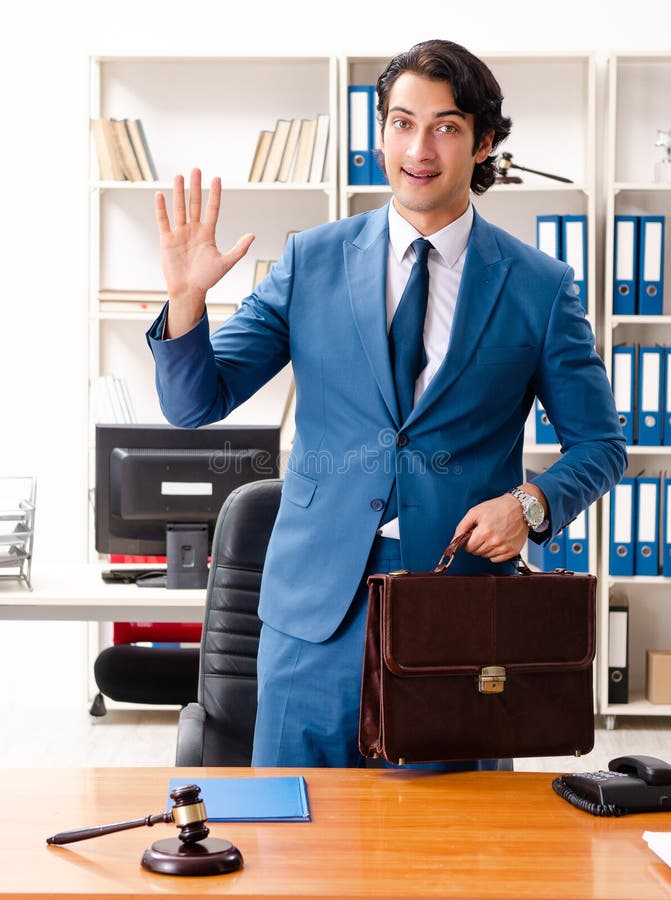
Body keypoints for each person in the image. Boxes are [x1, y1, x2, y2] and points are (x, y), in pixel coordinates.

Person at [147, 39, 627, 768]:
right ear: (379, 133)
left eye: (445, 126)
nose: (418, 148)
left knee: (446, 861)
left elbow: (600, 444)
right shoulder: (311, 259)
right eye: (401, 123)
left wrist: (528, 506)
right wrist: (186, 300)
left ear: (484, 142)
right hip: (312, 620)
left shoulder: (538, 285)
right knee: (296, 855)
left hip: (458, 616)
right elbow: (194, 403)